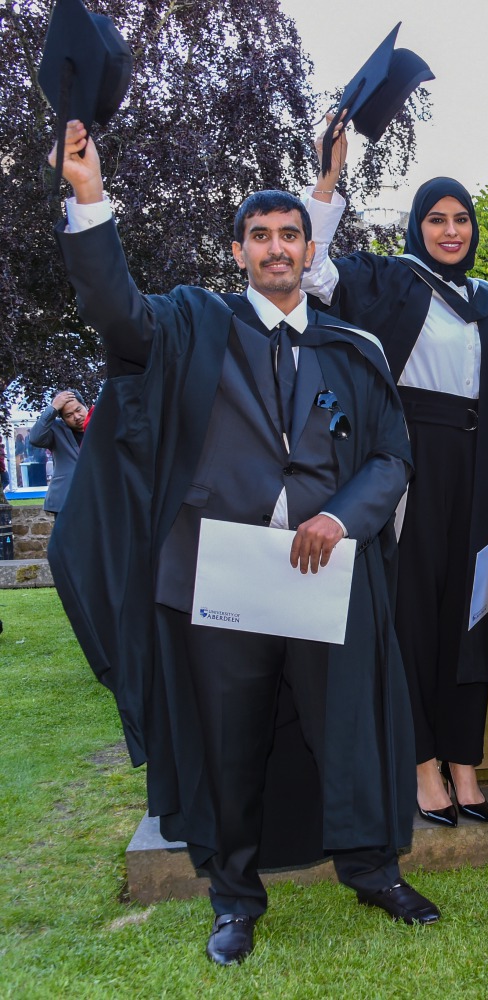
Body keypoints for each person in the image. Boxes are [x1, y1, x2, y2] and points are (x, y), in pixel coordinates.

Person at [48, 120, 439, 966]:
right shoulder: (194, 328)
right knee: (229, 738)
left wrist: (341, 517)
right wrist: (90, 199)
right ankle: (234, 898)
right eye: (258, 236)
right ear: (237, 252)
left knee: (350, 729)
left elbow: (390, 456)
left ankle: (374, 871)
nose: (276, 248)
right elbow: (117, 316)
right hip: (219, 583)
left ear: (308, 248)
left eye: (289, 234)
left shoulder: (351, 348)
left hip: (325, 572)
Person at [302, 121, 488, 827]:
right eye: (436, 218)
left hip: (477, 465)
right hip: (408, 464)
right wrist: (330, 178)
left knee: (469, 617)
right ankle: (423, 764)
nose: (451, 231)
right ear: (417, 225)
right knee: (413, 616)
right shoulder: (387, 280)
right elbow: (313, 268)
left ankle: (465, 760)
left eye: (462, 220)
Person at [27, 389, 90, 514]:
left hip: (99, 499)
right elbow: (35, 438)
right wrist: (53, 408)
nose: (76, 417)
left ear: (85, 406)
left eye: (78, 410)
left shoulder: (101, 425)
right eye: (69, 415)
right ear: (62, 418)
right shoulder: (56, 430)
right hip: (67, 502)